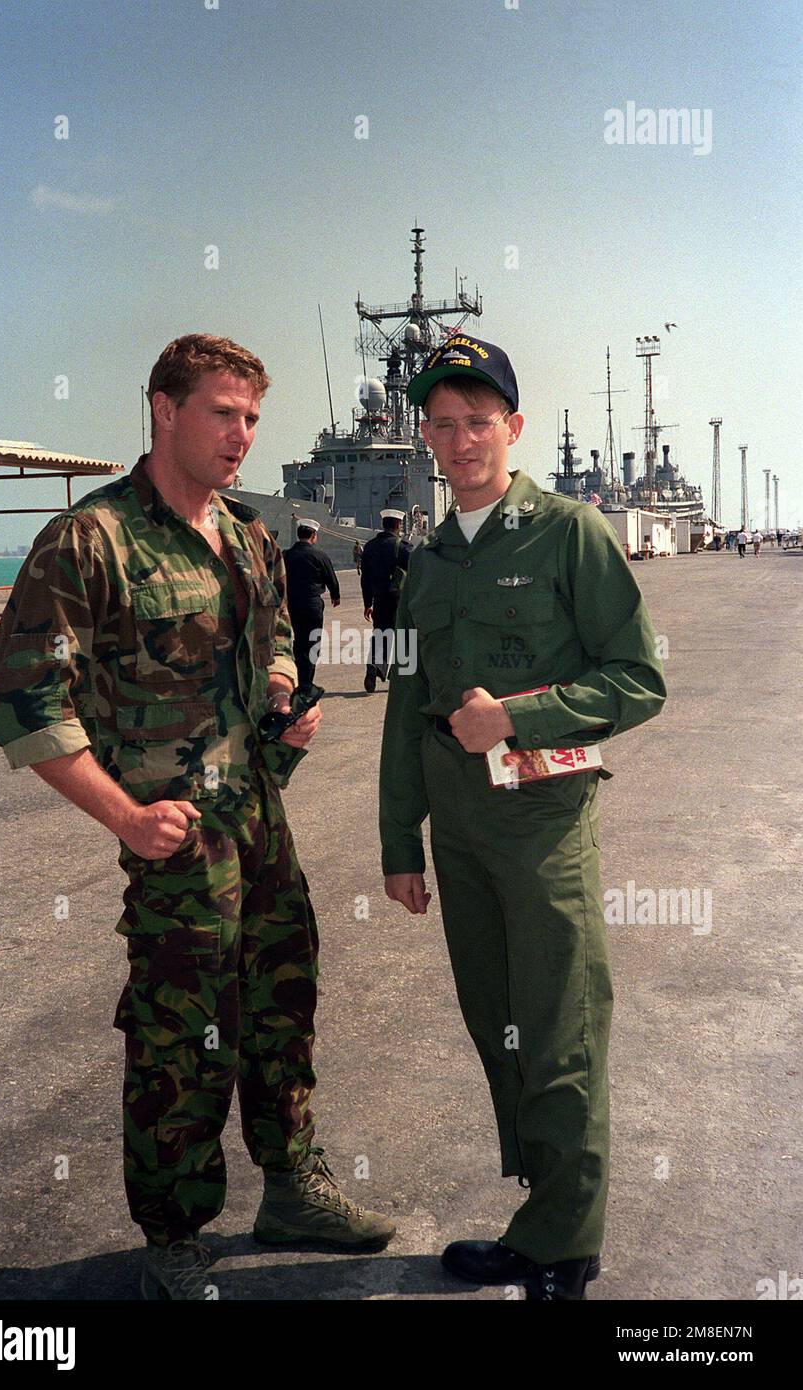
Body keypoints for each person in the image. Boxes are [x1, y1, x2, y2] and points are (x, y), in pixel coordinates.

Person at [0, 334, 394, 1302]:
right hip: (173, 841)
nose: (241, 435)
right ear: (164, 410)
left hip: (259, 817)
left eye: (252, 417)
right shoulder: (91, 541)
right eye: (223, 412)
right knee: (184, 1031)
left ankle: (292, 1184)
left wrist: (287, 690)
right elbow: (25, 704)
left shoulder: (246, 534)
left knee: (283, 997)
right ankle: (172, 1232)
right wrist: (124, 816)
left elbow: (275, 638)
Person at [378, 332, 666, 1301]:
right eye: (443, 424)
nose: (460, 441)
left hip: (542, 824)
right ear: (425, 433)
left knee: (561, 1033)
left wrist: (518, 716)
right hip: (457, 834)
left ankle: (567, 1245)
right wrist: (398, 842)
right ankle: (539, 1217)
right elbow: (404, 713)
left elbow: (638, 679)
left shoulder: (569, 532)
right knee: (497, 1020)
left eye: (478, 421)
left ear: (514, 427)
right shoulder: (427, 561)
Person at [283, 520, 341, 691]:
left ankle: (297, 677)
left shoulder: (286, 554)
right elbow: (331, 577)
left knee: (299, 640)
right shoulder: (319, 555)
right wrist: (335, 596)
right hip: (311, 604)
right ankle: (307, 682)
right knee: (313, 641)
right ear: (314, 536)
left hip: (292, 603)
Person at [360, 509, 413, 693]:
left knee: (381, 634)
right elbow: (417, 573)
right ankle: (401, 678)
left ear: (384, 524)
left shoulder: (370, 546)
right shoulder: (404, 547)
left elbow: (365, 578)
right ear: (398, 525)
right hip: (401, 599)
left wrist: (368, 603)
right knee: (406, 637)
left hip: (379, 598)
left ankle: (374, 666)